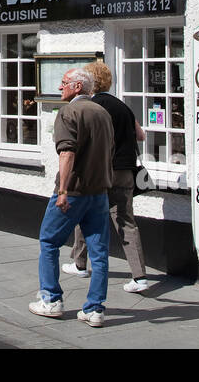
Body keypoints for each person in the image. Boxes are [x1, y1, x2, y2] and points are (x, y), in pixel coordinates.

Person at [29, 68, 115, 327]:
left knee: (49, 241)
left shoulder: (69, 112)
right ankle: (95, 309)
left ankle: (51, 299)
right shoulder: (103, 112)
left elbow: (66, 153)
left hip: (74, 192)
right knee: (99, 254)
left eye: (64, 83)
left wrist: (63, 191)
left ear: (78, 87)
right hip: (99, 193)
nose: (60, 87)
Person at [64, 60, 152, 293]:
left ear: (88, 83)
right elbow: (140, 135)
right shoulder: (122, 106)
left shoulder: (93, 107)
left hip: (102, 170)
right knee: (126, 221)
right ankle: (140, 276)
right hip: (126, 171)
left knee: (84, 212)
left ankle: (80, 263)